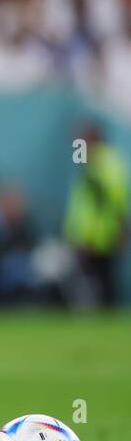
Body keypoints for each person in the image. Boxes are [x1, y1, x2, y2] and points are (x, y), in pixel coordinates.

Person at [64, 123, 129, 307]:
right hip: (89, 237)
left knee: (105, 283)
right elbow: (83, 204)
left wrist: (119, 230)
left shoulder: (107, 162)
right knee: (96, 284)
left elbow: (116, 200)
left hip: (102, 236)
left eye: (82, 139)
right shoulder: (89, 163)